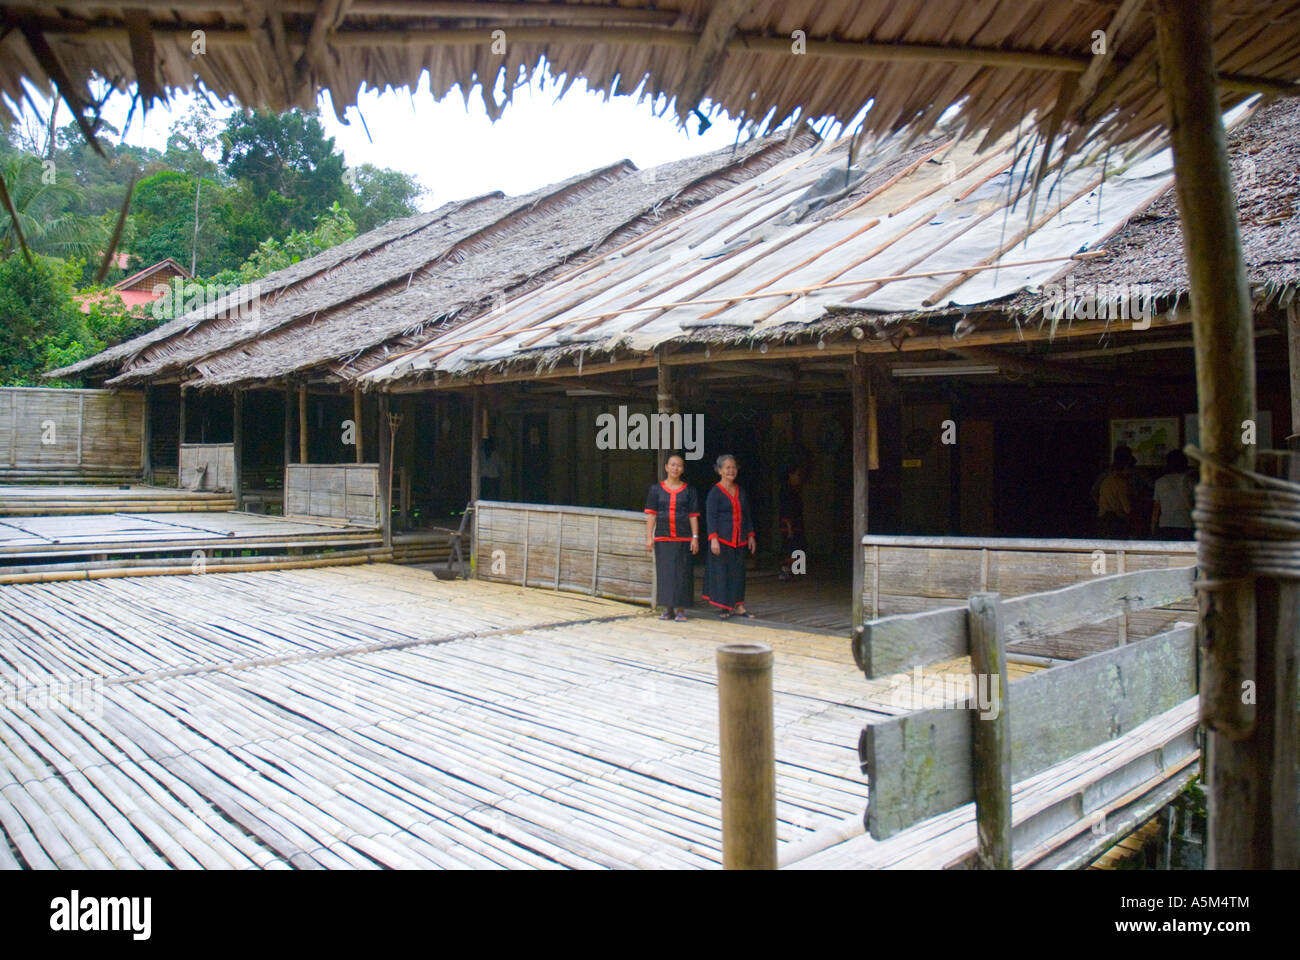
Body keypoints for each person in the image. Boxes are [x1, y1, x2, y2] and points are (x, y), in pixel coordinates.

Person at [644, 454, 700, 621]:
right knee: (666, 574)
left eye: (679, 465)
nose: (676, 468)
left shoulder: (690, 491)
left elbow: (693, 516)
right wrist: (649, 537)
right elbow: (652, 515)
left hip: (683, 539)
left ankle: (681, 610)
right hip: (663, 538)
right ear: (667, 467)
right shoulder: (656, 490)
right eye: (673, 465)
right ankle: (668, 610)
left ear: (683, 469)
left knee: (682, 573)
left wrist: (695, 537)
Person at [703, 453, 756, 619]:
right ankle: (725, 607)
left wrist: (751, 535)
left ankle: (739, 605)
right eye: (727, 468)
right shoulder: (715, 492)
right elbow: (710, 517)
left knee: (738, 573)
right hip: (722, 539)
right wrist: (713, 539)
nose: (731, 471)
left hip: (739, 539)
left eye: (734, 467)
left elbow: (746, 514)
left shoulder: (741, 491)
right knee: (722, 573)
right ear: (719, 470)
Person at [1091, 445, 1138, 539]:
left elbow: (1094, 491)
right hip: (1117, 522)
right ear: (1127, 466)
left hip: (1103, 519)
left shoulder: (1107, 477)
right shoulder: (1122, 483)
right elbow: (1127, 509)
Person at [1151, 449, 1195, 540]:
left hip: (1165, 525)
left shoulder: (1160, 482)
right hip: (1186, 524)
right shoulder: (1190, 481)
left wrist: (1153, 526)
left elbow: (1156, 508)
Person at [778, 461, 807, 581]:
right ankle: (786, 571)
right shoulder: (786, 491)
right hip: (789, 526)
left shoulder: (794, 490)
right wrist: (789, 527)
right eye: (798, 475)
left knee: (797, 548)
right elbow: (786, 510)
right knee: (790, 548)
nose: (799, 478)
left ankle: (796, 571)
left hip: (796, 525)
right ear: (791, 475)